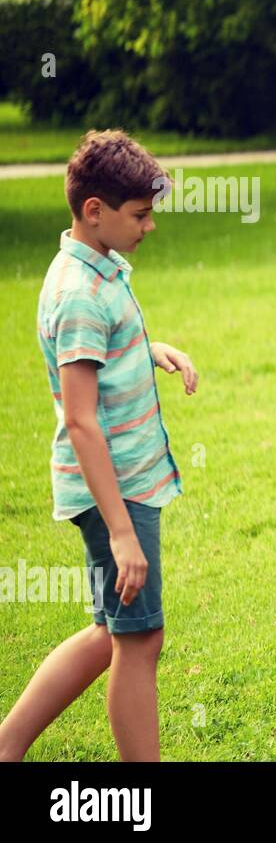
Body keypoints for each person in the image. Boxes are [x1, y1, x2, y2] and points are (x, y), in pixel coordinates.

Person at [0, 130, 197, 761]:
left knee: (110, 630)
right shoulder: (79, 293)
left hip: (120, 483)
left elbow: (98, 356)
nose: (151, 226)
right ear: (95, 211)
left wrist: (149, 350)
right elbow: (82, 421)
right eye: (140, 214)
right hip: (115, 488)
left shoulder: (95, 269)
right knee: (140, 640)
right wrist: (120, 531)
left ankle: (6, 745)